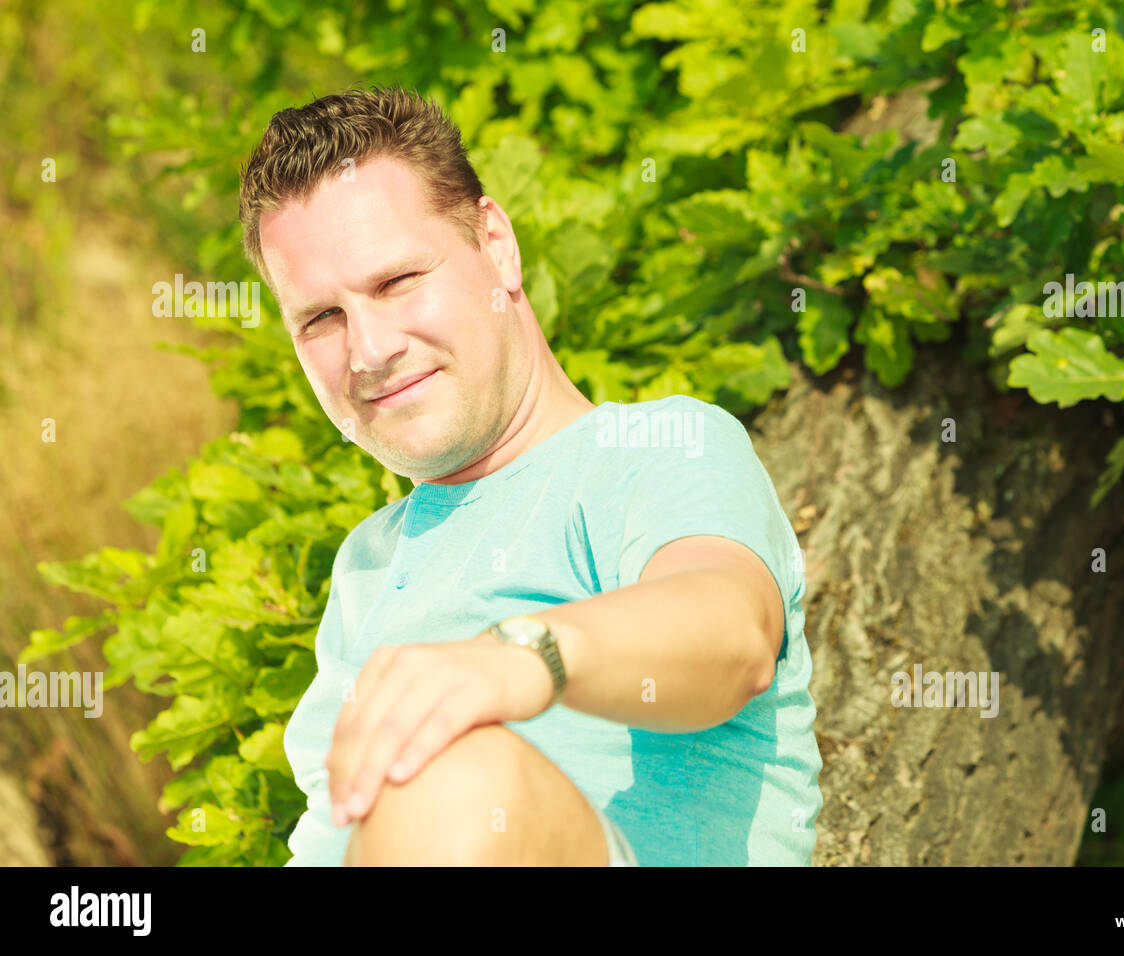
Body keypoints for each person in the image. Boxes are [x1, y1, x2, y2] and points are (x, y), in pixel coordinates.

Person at [237, 85, 823, 866]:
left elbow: (730, 629)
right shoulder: (366, 568)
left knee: (457, 785)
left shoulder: (661, 448)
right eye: (321, 319)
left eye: (397, 282)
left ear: (497, 247)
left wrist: (525, 657)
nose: (369, 350)